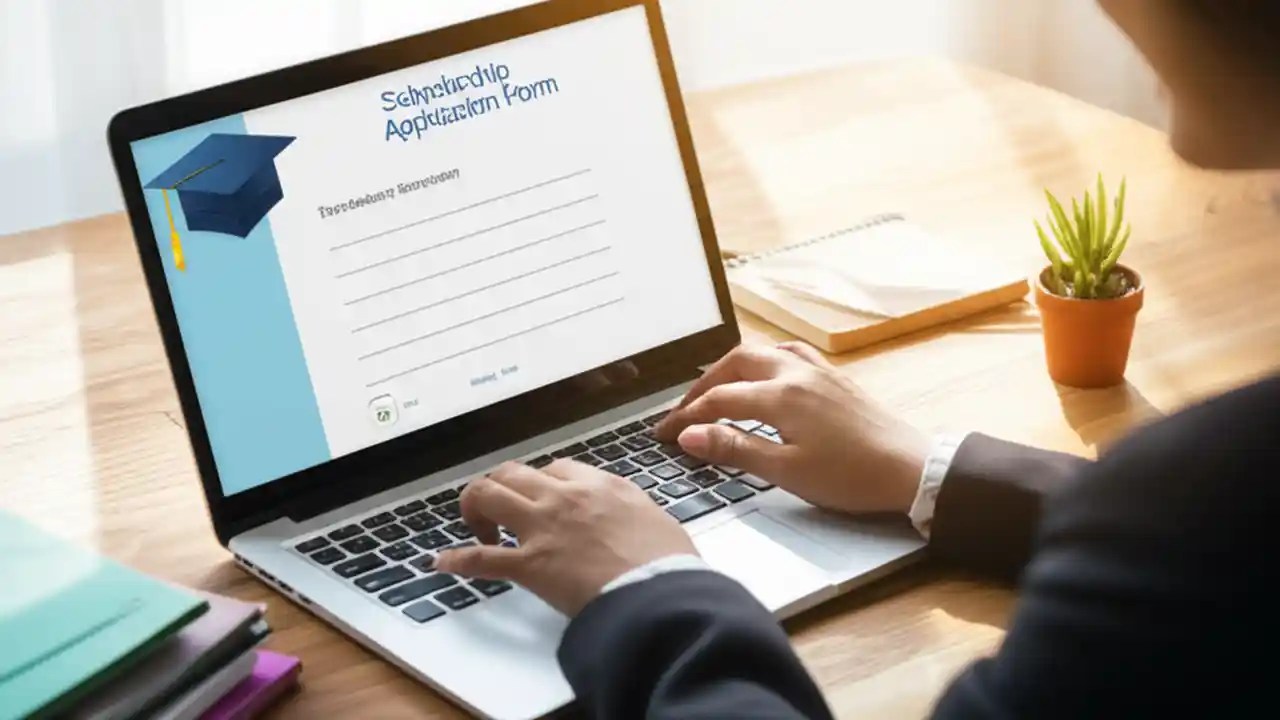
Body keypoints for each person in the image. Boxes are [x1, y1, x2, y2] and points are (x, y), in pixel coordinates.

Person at [435, 1, 1280, 717]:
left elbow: (1204, 547)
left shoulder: (1194, 510)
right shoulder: (1197, 510)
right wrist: (933, 471)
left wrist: (646, 591)